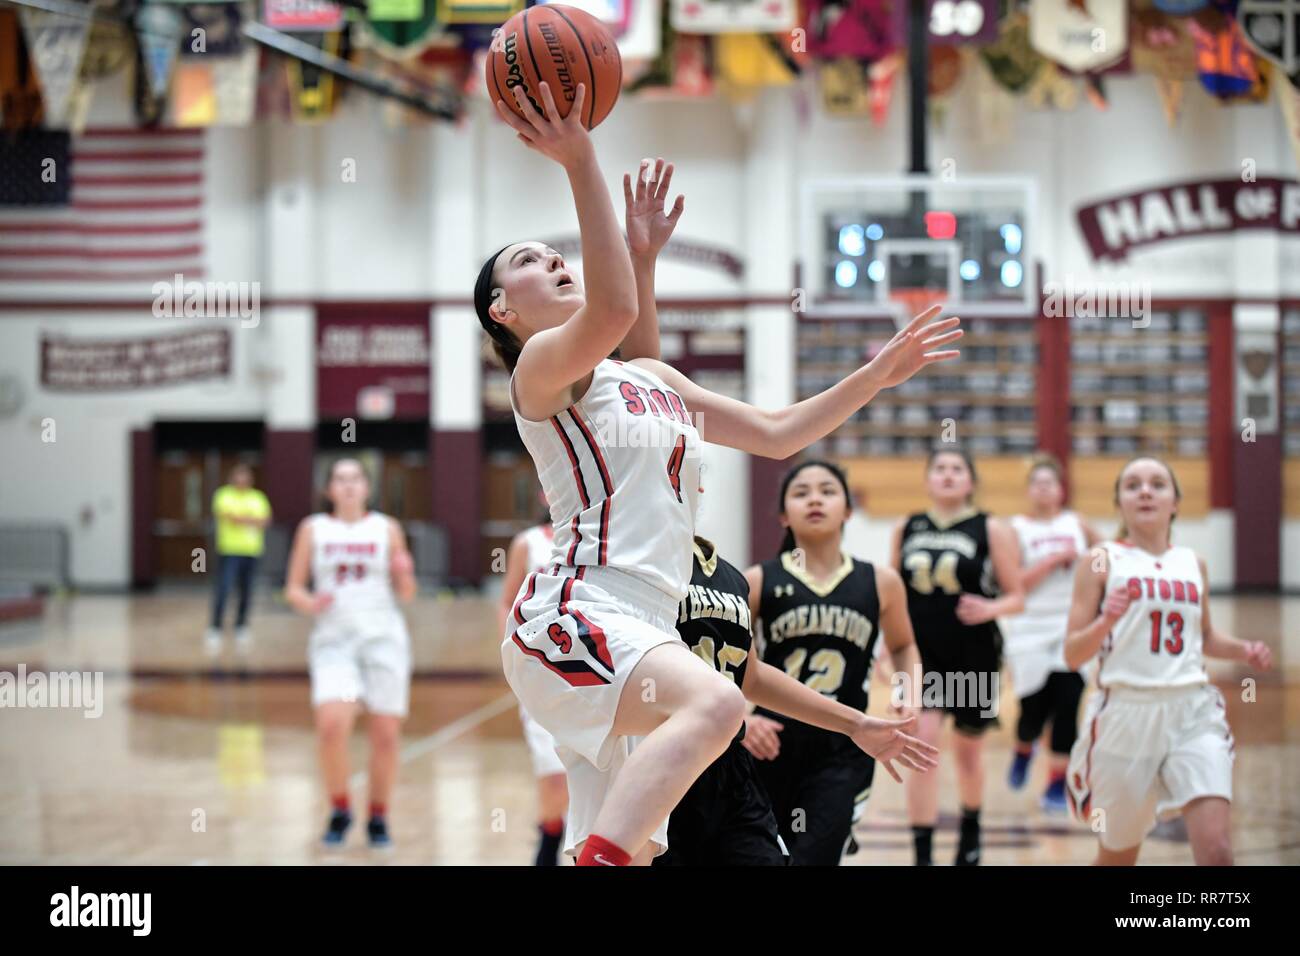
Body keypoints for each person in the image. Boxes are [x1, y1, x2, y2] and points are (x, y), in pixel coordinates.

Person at [485, 82, 958, 864]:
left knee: (636, 841)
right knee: (718, 702)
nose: (554, 261)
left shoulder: (650, 382)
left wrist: (877, 373)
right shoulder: (539, 372)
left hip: (648, 622)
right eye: (530, 262)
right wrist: (580, 159)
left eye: (556, 252)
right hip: (578, 608)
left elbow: (777, 434)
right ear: (504, 310)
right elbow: (608, 313)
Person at [1063, 457, 1272, 866]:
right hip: (1124, 715)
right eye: (1133, 485)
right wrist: (1107, 620)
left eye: (1158, 484)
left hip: (1192, 711)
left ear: (1175, 502)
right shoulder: (1101, 560)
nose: (1145, 491)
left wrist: (1243, 649)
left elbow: (1205, 637)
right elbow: (1072, 654)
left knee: (1217, 851)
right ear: (1119, 502)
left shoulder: (1193, 563)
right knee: (1118, 857)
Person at [743, 460, 925, 865]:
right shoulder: (757, 580)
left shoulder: (880, 581)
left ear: (848, 510)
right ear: (783, 515)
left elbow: (903, 646)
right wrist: (744, 720)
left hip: (844, 743)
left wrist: (908, 693)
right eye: (801, 492)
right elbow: (724, 662)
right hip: (770, 740)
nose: (815, 499)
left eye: (827, 490)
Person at [893, 448, 1025, 865]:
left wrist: (990, 608)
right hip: (922, 652)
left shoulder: (991, 528)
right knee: (922, 744)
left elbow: (1017, 595)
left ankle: (971, 830)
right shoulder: (907, 526)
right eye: (940, 469)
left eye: (957, 470)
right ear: (928, 478)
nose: (948, 476)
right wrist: (885, 650)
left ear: (970, 481)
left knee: (968, 754)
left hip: (974, 653)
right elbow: (889, 594)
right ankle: (923, 852)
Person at [284, 458, 417, 850]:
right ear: (328, 489)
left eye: (355, 479)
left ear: (367, 488)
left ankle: (378, 816)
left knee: (386, 736)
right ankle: (340, 808)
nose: (347, 486)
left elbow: (406, 593)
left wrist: (405, 572)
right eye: (339, 479)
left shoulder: (387, 528)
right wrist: (310, 602)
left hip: (383, 638)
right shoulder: (313, 529)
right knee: (331, 725)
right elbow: (293, 588)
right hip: (334, 640)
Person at [1004, 453, 1100, 812]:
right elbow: (1013, 585)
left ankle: (1057, 783)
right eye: (1037, 482)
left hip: (1070, 626)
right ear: (1029, 490)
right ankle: (1023, 747)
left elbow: (1110, 560)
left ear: (1061, 489)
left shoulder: (1078, 523)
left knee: (1068, 700)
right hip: (1028, 627)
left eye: (1051, 482)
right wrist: (1049, 562)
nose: (1044, 488)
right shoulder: (1016, 529)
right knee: (1033, 712)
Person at [498, 504, 568, 866]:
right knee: (554, 773)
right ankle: (549, 836)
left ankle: (574, 837)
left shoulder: (600, 535)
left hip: (591, 668)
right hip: (539, 669)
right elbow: (507, 602)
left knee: (588, 770)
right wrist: (509, 656)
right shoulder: (527, 543)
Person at [206, 463, 271, 658]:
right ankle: (215, 626)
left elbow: (265, 520)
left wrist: (243, 519)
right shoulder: (223, 495)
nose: (242, 480)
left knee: (247, 590)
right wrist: (250, 520)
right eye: (238, 476)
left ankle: (241, 625)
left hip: (251, 551)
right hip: (229, 550)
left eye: (245, 476)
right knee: (224, 588)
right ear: (233, 477)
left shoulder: (258, 497)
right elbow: (228, 516)